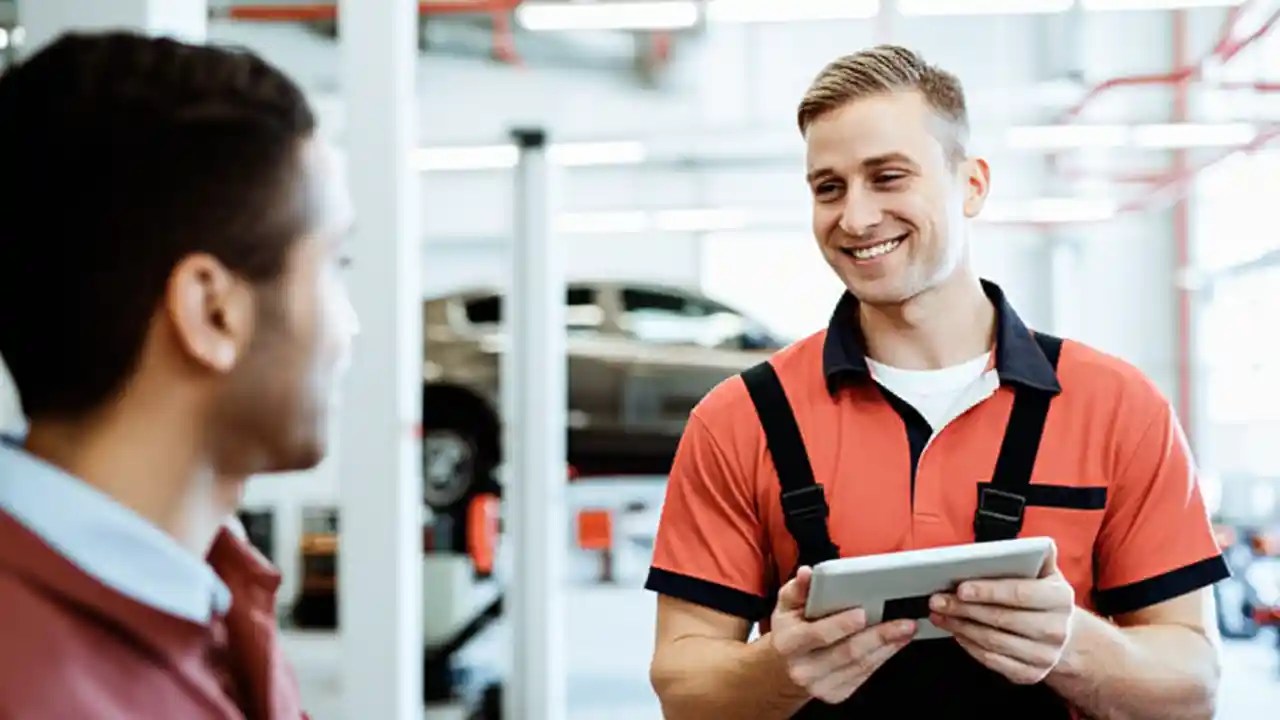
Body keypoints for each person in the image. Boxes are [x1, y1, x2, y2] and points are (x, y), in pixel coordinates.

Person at [645, 44, 1228, 719]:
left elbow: (1192, 686)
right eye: (828, 187)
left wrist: (1068, 645)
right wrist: (778, 668)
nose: (855, 218)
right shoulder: (742, 418)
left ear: (972, 184)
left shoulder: (1116, 407)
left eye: (888, 177)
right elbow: (684, 687)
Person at [0, 31, 357, 718]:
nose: (351, 330)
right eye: (334, 267)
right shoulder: (36, 683)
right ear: (211, 312)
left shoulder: (208, 596)